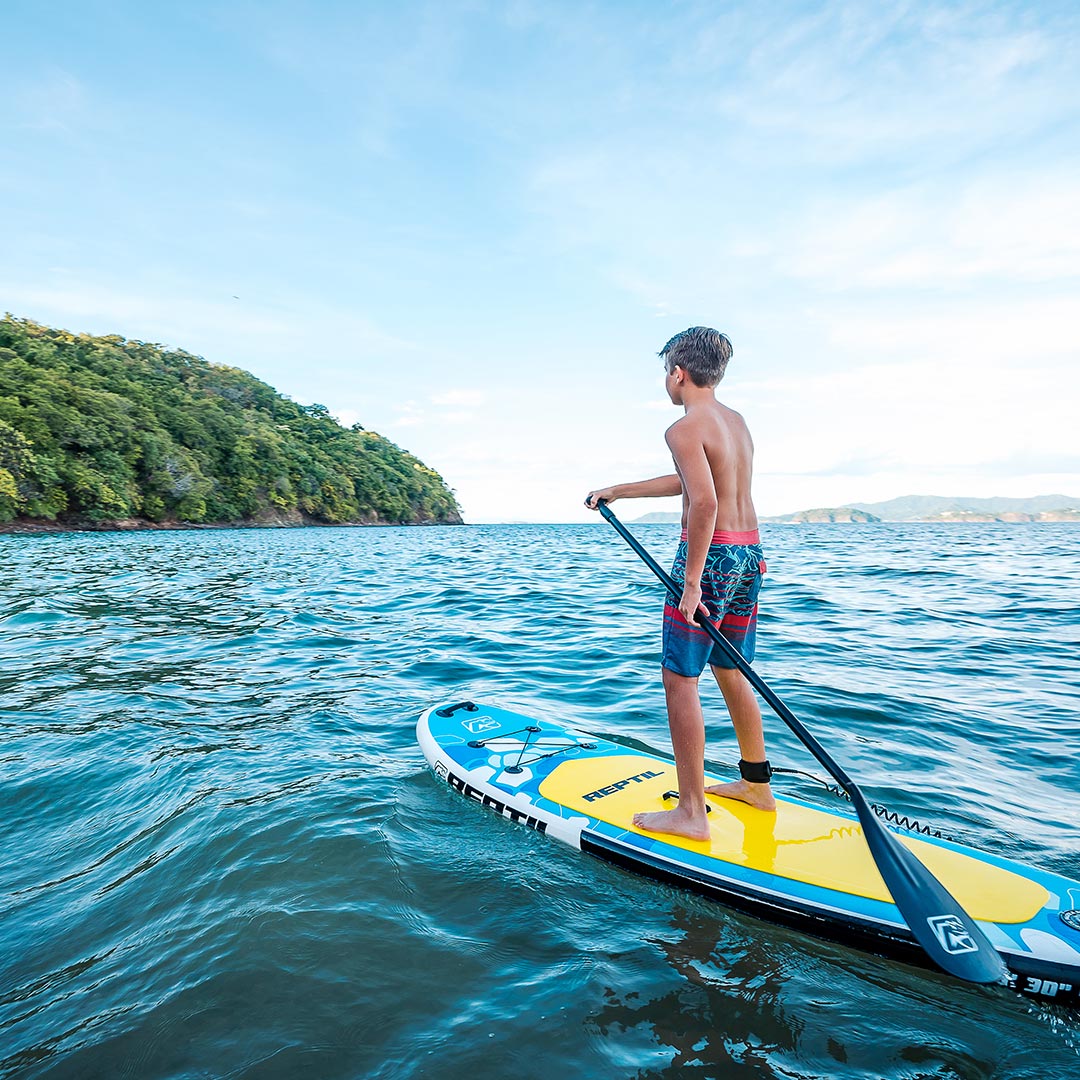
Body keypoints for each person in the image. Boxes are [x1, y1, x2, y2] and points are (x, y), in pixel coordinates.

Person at [585, 326, 772, 842]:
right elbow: (698, 483)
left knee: (679, 678)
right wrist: (619, 490)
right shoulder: (734, 422)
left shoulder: (682, 428)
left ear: (678, 372)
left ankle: (692, 812)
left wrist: (691, 583)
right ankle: (757, 784)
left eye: (665, 372)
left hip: (708, 560)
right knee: (731, 669)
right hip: (749, 552)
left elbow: (704, 503)